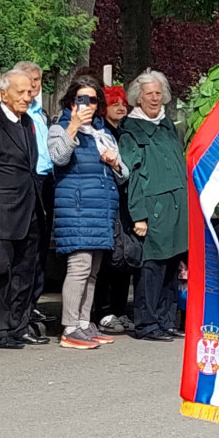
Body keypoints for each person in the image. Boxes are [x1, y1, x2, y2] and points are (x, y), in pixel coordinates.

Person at [48, 78, 130, 350]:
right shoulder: (59, 128)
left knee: (93, 270)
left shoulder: (101, 133)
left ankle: (84, 323)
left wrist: (114, 163)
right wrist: (72, 126)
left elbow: (123, 173)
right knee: (79, 267)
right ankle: (70, 327)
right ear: (71, 102)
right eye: (82, 99)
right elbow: (58, 158)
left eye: (93, 100)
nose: (88, 106)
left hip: (101, 209)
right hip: (78, 209)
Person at [0, 68, 47, 349]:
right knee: (1, 272)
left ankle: (19, 325)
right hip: (2, 211)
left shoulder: (27, 123)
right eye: (21, 92)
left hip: (29, 210)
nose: (27, 97)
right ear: (4, 93)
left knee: (25, 272)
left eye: (30, 92)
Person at [117, 70, 188, 342]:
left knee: (171, 266)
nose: (155, 98)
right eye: (149, 94)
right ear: (138, 97)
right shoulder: (130, 131)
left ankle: (166, 320)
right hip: (152, 208)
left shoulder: (167, 126)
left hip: (176, 206)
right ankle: (147, 324)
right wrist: (139, 216)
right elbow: (132, 176)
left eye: (159, 93)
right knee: (151, 268)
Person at [13, 60, 56, 327]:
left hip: (47, 180)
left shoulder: (42, 115)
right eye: (29, 81)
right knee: (26, 246)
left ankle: (35, 301)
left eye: (38, 81)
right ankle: (22, 306)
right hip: (29, 182)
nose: (34, 86)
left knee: (41, 246)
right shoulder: (19, 115)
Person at [93, 84, 138, 333]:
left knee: (125, 256)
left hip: (126, 199)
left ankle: (120, 309)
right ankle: (105, 310)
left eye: (123, 103)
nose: (121, 107)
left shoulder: (126, 132)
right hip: (110, 199)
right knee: (110, 259)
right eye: (114, 103)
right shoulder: (102, 133)